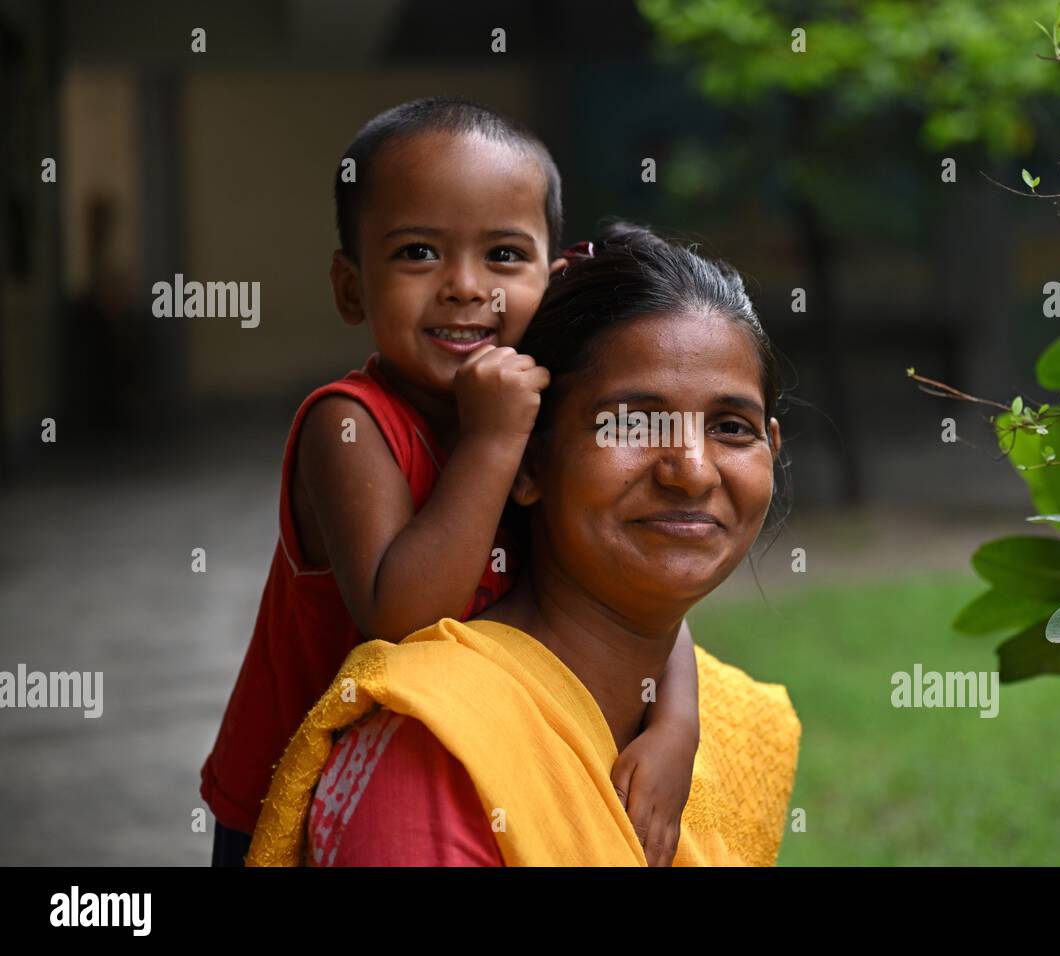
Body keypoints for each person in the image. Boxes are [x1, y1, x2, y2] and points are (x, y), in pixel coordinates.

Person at [200, 100, 702, 865]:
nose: (466, 287)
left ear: (554, 277)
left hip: (458, 768)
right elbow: (403, 621)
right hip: (298, 804)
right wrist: (493, 440)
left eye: (504, 255)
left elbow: (631, 589)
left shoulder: (545, 411)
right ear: (350, 287)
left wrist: (675, 729)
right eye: (417, 254)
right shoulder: (351, 427)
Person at [247, 223, 801, 867]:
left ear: (774, 451)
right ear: (527, 462)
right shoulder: (439, 755)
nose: (693, 470)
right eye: (631, 423)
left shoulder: (729, 721)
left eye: (731, 428)